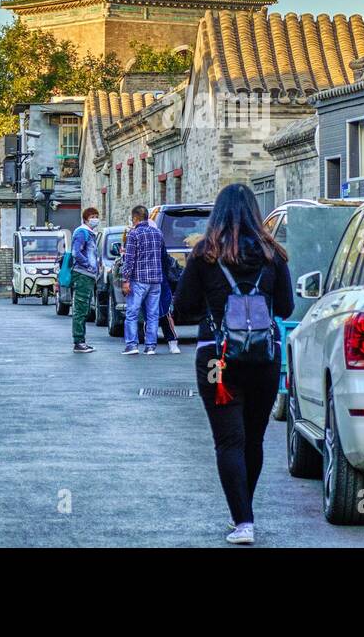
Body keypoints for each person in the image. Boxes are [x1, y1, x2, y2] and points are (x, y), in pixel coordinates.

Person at [172, 184, 292, 545]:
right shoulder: (274, 255)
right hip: (265, 357)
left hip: (216, 358)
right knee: (253, 438)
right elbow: (285, 308)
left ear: (217, 213)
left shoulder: (203, 255)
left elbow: (182, 308)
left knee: (228, 441)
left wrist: (215, 307)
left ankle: (243, 521)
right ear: (255, 212)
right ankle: (245, 515)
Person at [119, 205, 164, 356]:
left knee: (132, 313)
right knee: (152, 314)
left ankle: (132, 345)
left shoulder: (134, 234)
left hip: (139, 279)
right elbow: (162, 255)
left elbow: (129, 259)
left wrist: (125, 280)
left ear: (136, 218)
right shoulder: (158, 233)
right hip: (156, 279)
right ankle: (151, 346)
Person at [68, 207, 100, 354]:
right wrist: (88, 265)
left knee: (84, 308)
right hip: (83, 274)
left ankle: (82, 341)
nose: (95, 219)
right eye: (92, 216)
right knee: (80, 309)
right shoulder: (82, 232)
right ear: (86, 219)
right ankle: (78, 342)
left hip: (88, 275)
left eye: (96, 216)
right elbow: (76, 252)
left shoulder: (89, 233)